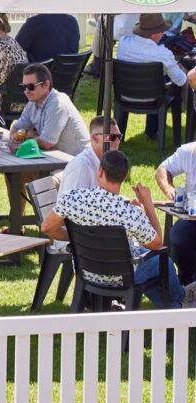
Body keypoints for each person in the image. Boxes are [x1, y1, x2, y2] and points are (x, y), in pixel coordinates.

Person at [42, 151, 192, 309]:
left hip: (86, 271)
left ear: (100, 171)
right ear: (125, 176)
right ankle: (180, 301)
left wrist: (76, 239)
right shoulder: (130, 214)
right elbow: (157, 244)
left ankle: (174, 304)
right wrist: (148, 205)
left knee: (149, 262)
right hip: (121, 277)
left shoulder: (72, 198)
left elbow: (47, 227)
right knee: (162, 261)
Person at [116, 12, 196, 140]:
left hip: (124, 95)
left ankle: (151, 130)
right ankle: (172, 136)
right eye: (162, 30)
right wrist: (179, 66)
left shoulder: (123, 43)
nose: (164, 33)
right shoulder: (162, 53)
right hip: (152, 98)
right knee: (169, 86)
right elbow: (181, 81)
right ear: (154, 34)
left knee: (156, 82)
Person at [8, 62, 88, 156]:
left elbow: (47, 143)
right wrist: (16, 137)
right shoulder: (32, 103)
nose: (26, 91)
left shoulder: (57, 104)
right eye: (24, 87)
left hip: (76, 159)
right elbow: (16, 128)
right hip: (55, 157)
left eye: (31, 87)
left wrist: (26, 137)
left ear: (46, 84)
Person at [154, 141, 196, 285]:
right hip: (192, 217)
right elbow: (162, 170)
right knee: (178, 238)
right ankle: (188, 282)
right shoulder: (189, 151)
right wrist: (170, 190)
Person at [59, 116, 122, 198]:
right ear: (95, 138)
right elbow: (72, 203)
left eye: (119, 137)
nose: (117, 141)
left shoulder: (107, 162)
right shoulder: (82, 166)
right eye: (112, 137)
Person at [15, 13, 81, 64]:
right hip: (70, 74)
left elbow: (16, 49)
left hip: (41, 74)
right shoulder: (73, 21)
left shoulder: (35, 22)